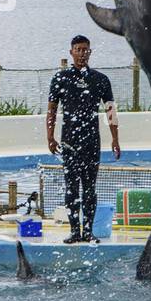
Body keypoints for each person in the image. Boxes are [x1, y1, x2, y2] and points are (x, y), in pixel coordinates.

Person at [46, 35, 121, 243]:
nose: (82, 53)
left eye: (85, 50)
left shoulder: (100, 79)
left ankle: (88, 231)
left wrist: (115, 139)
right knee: (71, 188)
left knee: (89, 187)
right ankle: (74, 231)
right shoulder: (61, 78)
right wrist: (50, 137)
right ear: (71, 52)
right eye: (78, 49)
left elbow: (111, 111)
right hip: (69, 142)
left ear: (90, 52)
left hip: (91, 142)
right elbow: (52, 111)